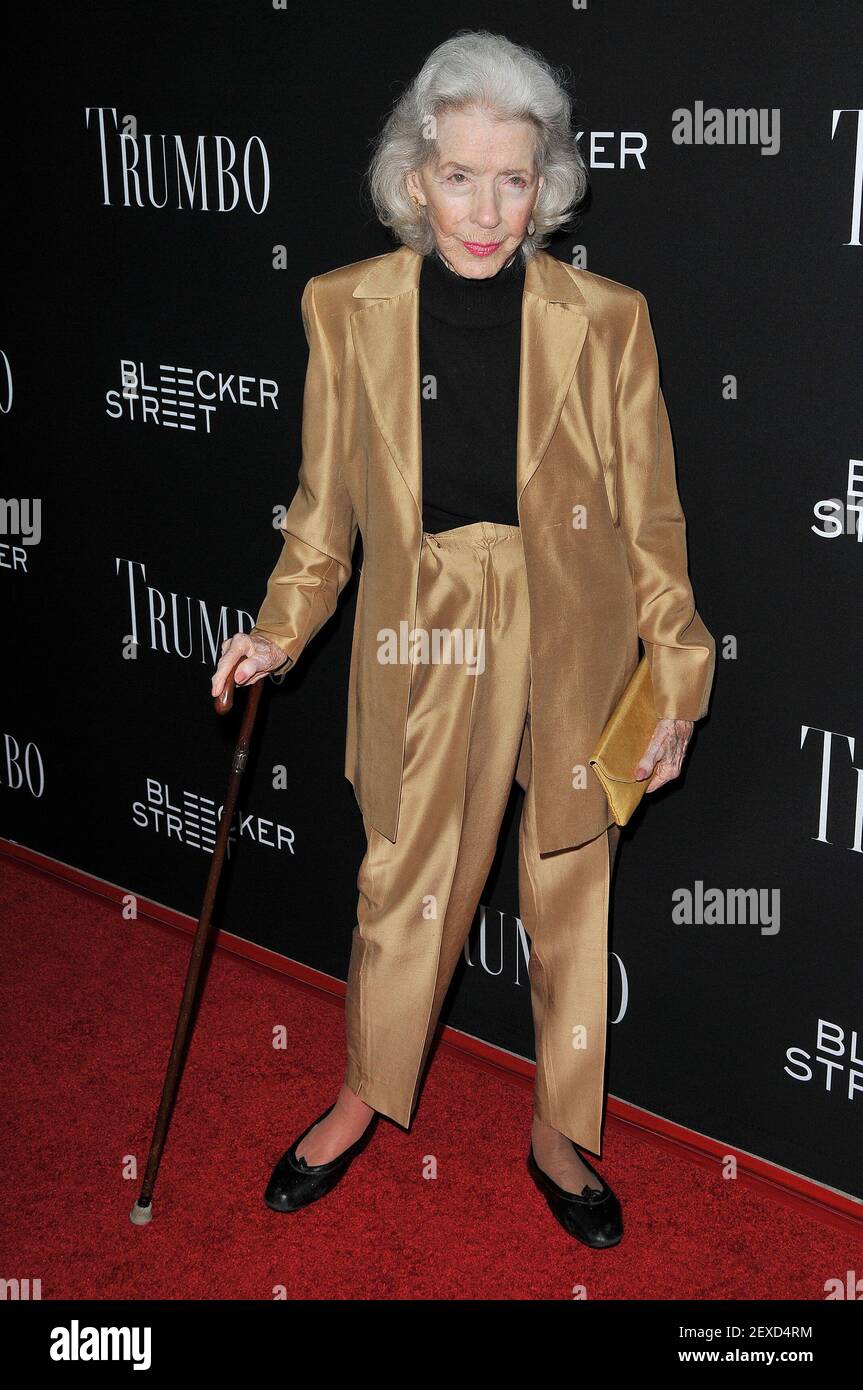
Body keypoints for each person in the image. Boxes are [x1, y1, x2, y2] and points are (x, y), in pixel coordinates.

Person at [211, 30, 715, 1248]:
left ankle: (558, 1126)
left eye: (514, 177)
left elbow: (650, 514)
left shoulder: (607, 318)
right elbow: (321, 514)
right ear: (411, 174)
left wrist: (679, 681)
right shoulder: (346, 307)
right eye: (458, 175)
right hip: (423, 623)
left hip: (574, 624)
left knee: (568, 891)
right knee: (402, 880)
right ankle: (361, 1094)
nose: (486, 209)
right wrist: (279, 631)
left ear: (546, 183)